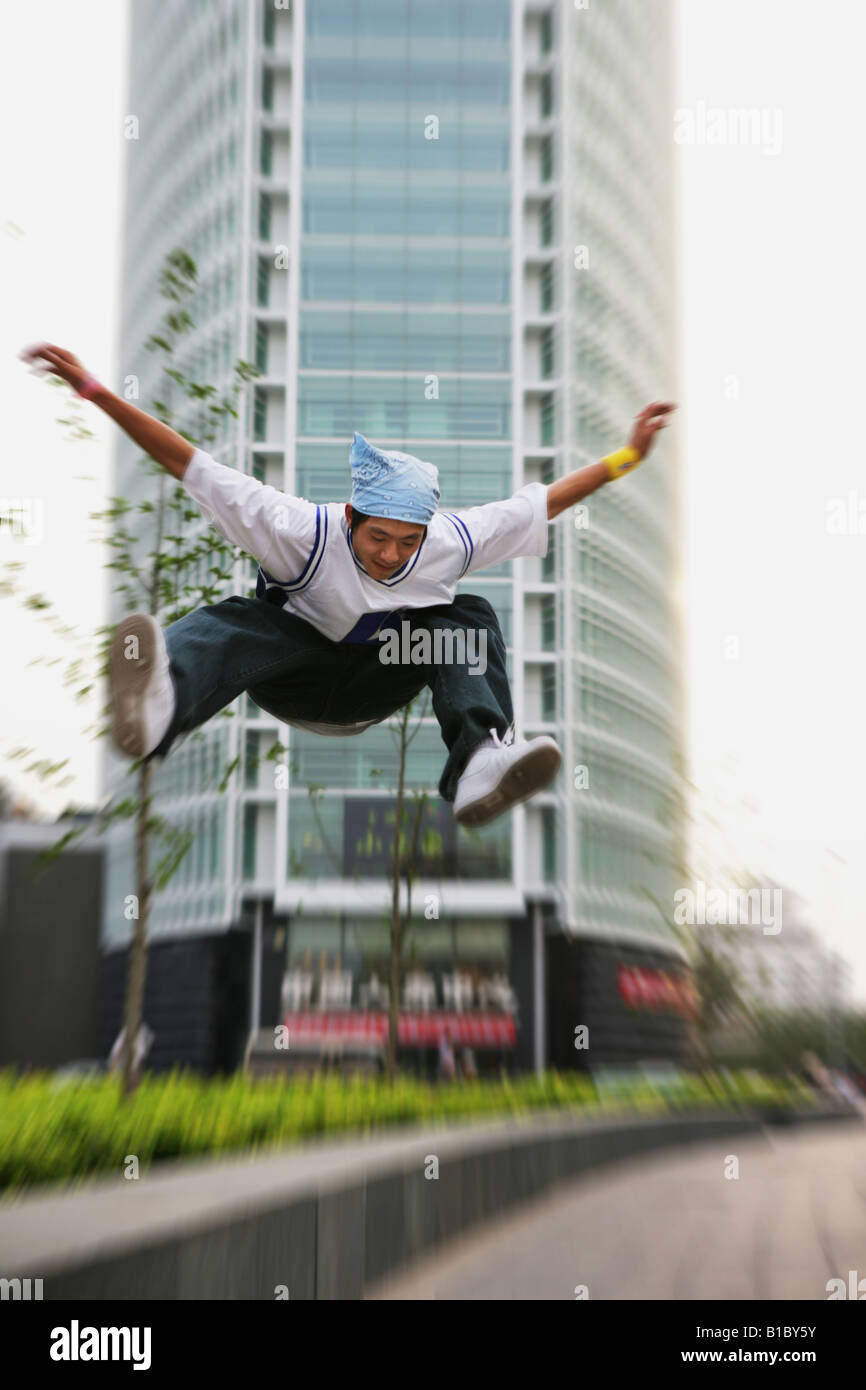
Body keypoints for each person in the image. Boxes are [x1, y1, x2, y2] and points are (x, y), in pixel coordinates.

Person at [20, 342, 674, 826]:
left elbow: (546, 501)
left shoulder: (450, 540)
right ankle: (160, 708)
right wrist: (93, 390)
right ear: (351, 517)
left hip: (376, 681)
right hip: (291, 674)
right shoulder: (296, 529)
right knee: (241, 616)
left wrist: (626, 457)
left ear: (426, 531)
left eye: (406, 543)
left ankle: (479, 761)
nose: (392, 556)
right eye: (377, 539)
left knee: (466, 618)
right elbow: (185, 461)